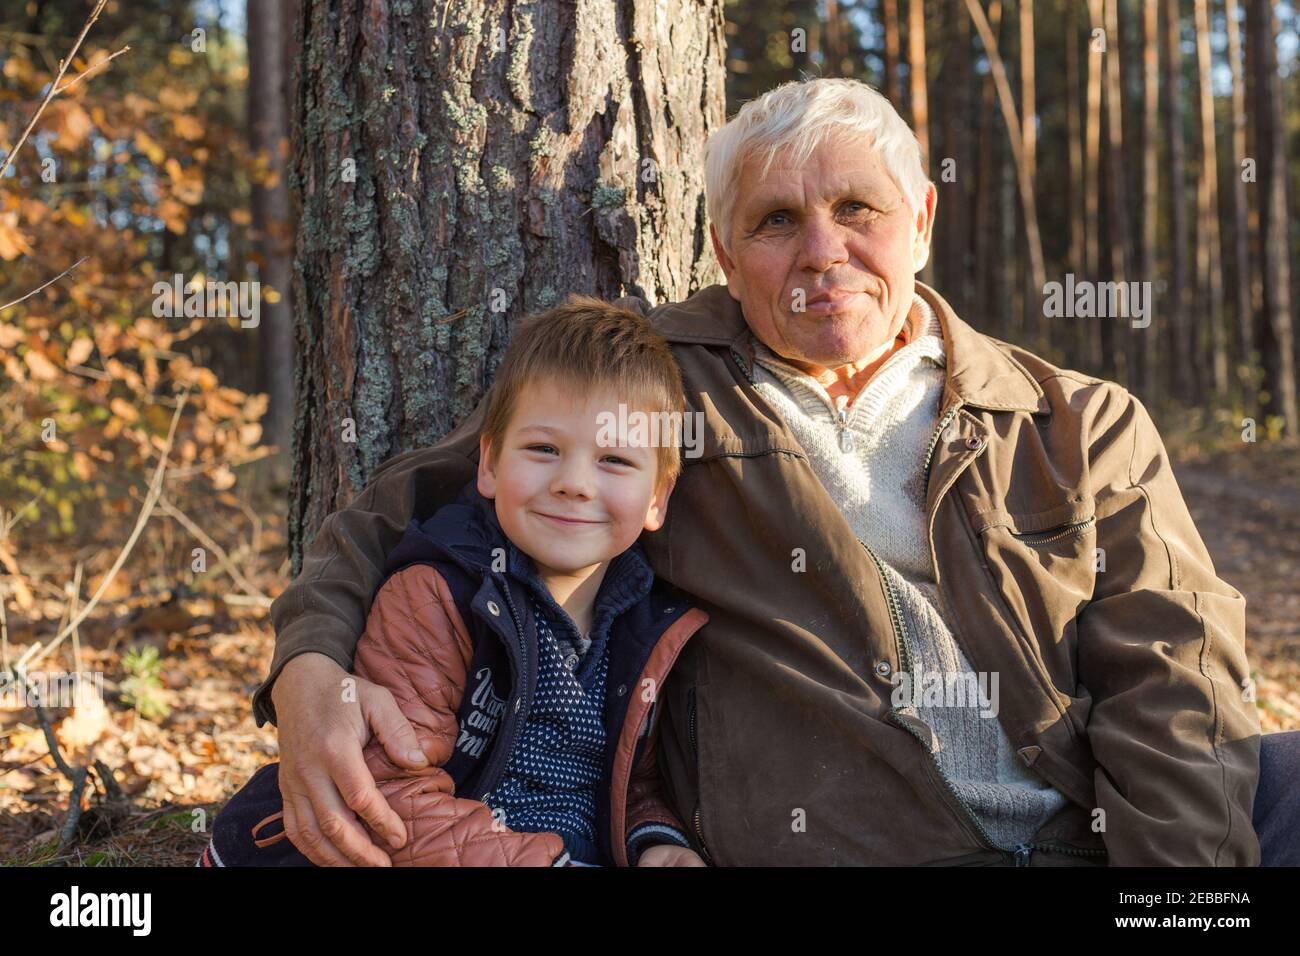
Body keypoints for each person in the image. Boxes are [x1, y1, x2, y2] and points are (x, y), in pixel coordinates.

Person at [254, 77, 1288, 866]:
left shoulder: (1078, 420)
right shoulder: (661, 390)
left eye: (857, 209)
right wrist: (307, 670)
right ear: (722, 249)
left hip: (1077, 824)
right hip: (848, 837)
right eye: (776, 221)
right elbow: (400, 510)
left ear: (920, 222)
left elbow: (1173, 673)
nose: (822, 251)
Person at [199, 297, 708, 866]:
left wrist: (657, 842)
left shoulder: (642, 627)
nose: (574, 483)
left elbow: (627, 782)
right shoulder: (441, 596)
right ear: (488, 464)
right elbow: (393, 795)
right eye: (544, 449)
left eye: (614, 460)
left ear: (657, 498)